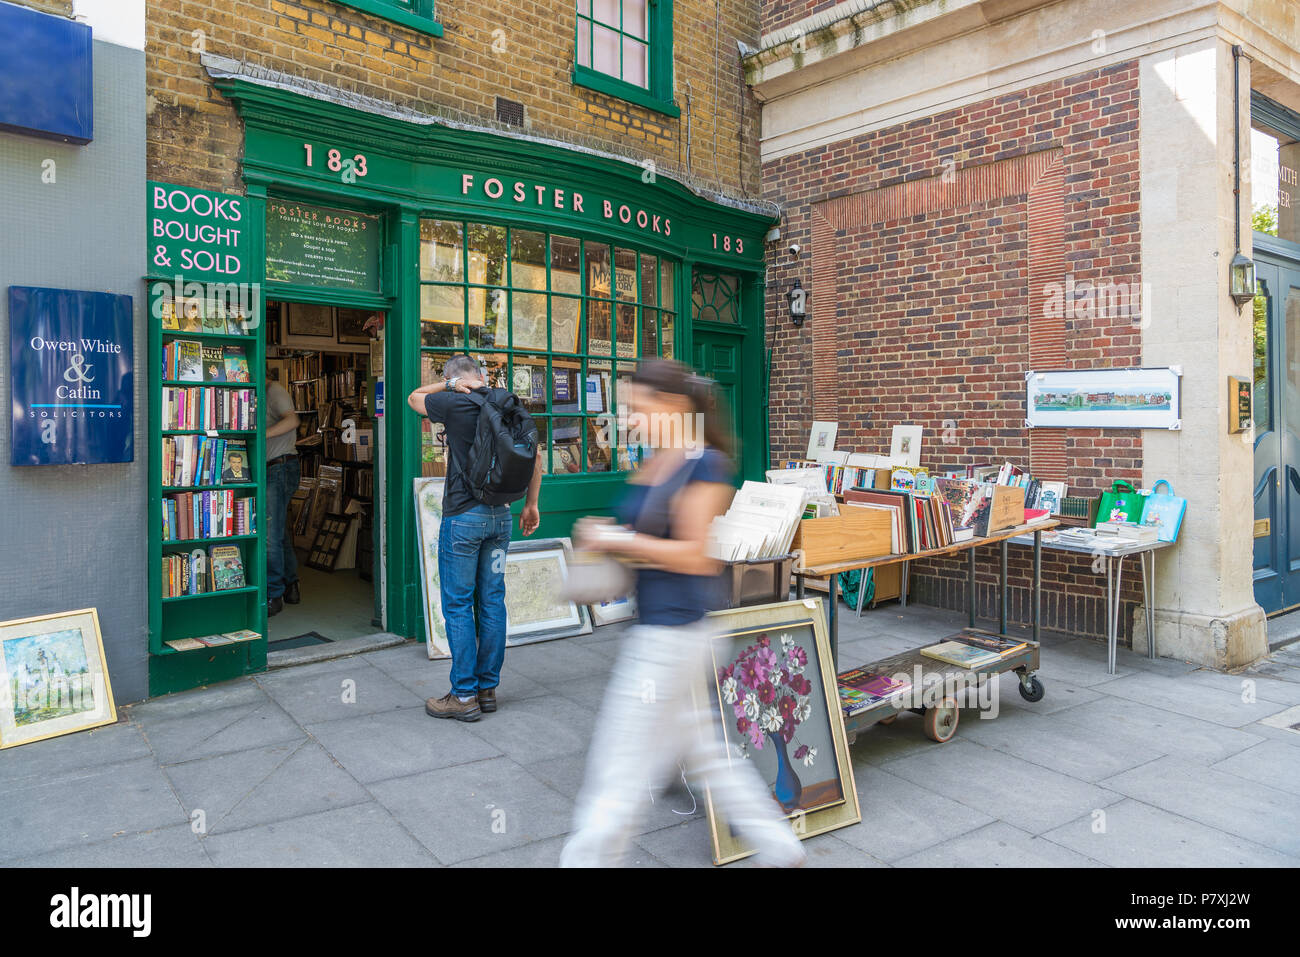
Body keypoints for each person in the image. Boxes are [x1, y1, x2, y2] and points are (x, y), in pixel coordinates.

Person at [559, 358, 806, 868]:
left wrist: (616, 538)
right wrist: (606, 546)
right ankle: (780, 846)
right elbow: (646, 542)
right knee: (708, 755)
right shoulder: (656, 460)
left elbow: (697, 556)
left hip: (670, 638)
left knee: (619, 769)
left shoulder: (704, 464)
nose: (627, 420)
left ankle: (587, 858)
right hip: (673, 632)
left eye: (637, 408)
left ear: (673, 406)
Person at [408, 355, 543, 721]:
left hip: (464, 519)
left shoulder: (453, 400)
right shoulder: (505, 401)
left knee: (458, 605)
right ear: (482, 376)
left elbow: (414, 397)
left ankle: (463, 695)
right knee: (493, 602)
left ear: (455, 379)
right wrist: (531, 504)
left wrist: (449, 386)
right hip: (501, 519)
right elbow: (535, 455)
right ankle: (487, 690)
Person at [265, 373, 300, 617]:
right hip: (275, 466)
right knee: (278, 532)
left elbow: (293, 420)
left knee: (270, 533)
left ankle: (274, 594)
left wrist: (261, 435)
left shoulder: (273, 390)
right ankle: (291, 585)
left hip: (280, 466)